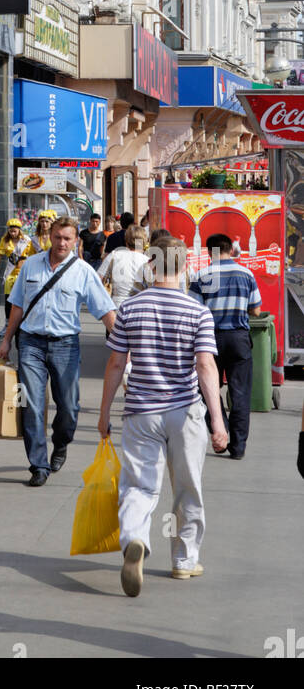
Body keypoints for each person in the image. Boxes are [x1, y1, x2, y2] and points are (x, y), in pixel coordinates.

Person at [99, 235, 228, 596]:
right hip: (185, 412)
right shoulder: (197, 311)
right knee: (187, 487)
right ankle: (184, 561)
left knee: (139, 486)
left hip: (141, 412)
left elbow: (115, 363)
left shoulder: (129, 309)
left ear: (150, 265)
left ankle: (135, 541)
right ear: (184, 265)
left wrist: (104, 412)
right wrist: (217, 422)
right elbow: (205, 365)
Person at [0, 216, 115, 486]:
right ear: (50, 236)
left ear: (76, 241)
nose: (62, 243)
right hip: (31, 344)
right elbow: (17, 304)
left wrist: (124, 344)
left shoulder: (82, 271)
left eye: (67, 238)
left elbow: (105, 310)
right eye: (58, 237)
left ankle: (60, 443)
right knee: (32, 405)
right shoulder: (30, 266)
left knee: (69, 407)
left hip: (65, 345)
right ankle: (38, 465)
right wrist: (6, 340)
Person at [188, 233, 262, 460]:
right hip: (239, 339)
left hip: (210, 340)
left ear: (210, 252)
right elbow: (256, 310)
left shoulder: (201, 275)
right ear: (231, 250)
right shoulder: (246, 274)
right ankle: (238, 447)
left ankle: (221, 429)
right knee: (240, 393)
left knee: (207, 389)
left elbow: (194, 310)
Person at [0, 217, 35, 341]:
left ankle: (25, 325)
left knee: (24, 300)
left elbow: (33, 257)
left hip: (23, 275)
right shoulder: (5, 241)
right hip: (10, 275)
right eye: (10, 231)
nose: (12, 233)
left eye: (15, 231)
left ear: (19, 230)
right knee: (8, 301)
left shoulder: (27, 241)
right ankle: (7, 325)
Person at [98, 225, 151, 308]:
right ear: (144, 242)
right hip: (139, 305)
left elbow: (98, 278)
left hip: (116, 305)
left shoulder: (114, 255)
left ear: (126, 241)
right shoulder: (147, 261)